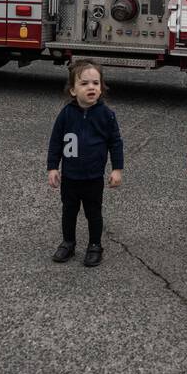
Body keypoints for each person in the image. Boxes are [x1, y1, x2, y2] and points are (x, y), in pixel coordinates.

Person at [47, 59, 124, 266]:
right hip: (70, 177)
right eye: (84, 83)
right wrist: (52, 167)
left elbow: (115, 143)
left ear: (101, 87)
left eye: (96, 83)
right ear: (73, 90)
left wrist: (117, 169)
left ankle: (95, 245)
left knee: (93, 213)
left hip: (93, 177)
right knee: (69, 212)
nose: (91, 87)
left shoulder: (106, 115)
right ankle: (68, 243)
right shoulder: (66, 114)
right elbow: (55, 142)